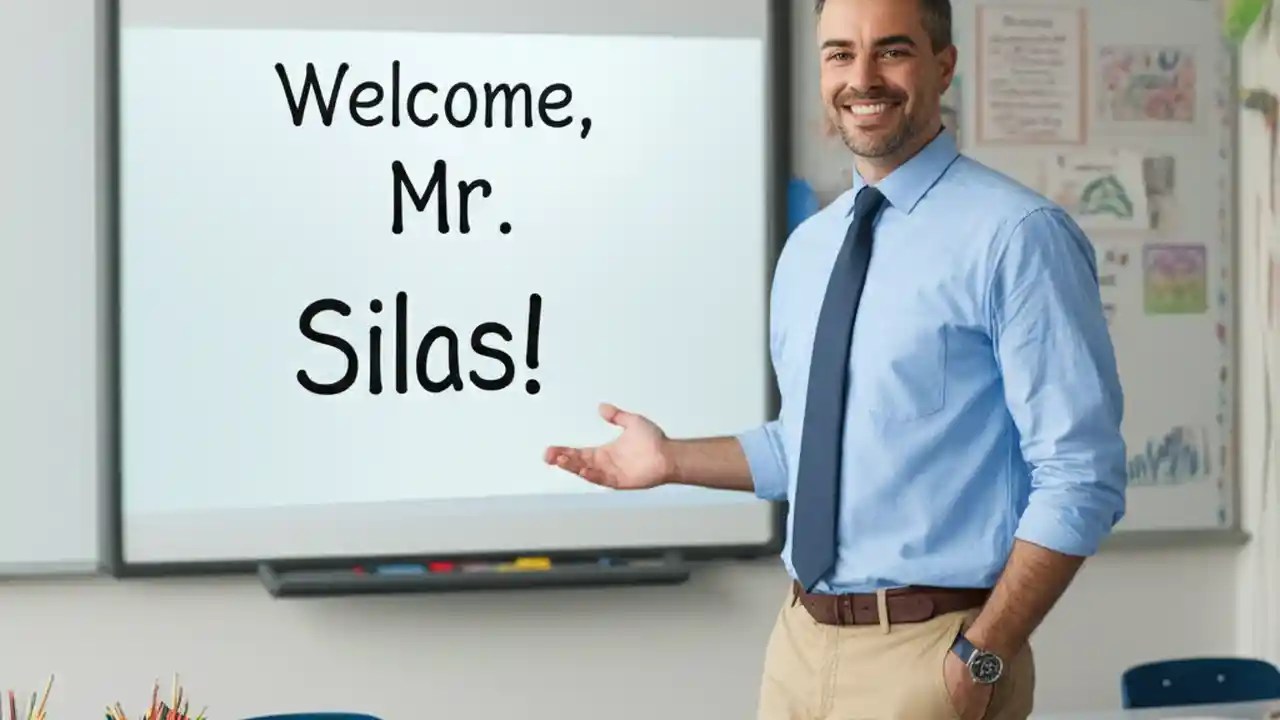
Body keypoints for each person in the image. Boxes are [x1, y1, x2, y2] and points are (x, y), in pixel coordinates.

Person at [544, 0, 1127, 717]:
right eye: (840, 54)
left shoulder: (1017, 236)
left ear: (943, 65)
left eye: (892, 51)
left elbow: (1082, 473)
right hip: (798, 643)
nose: (863, 78)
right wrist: (671, 460)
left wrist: (984, 654)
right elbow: (811, 447)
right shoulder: (810, 249)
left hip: (935, 653)